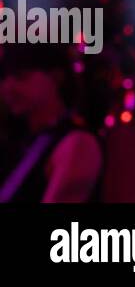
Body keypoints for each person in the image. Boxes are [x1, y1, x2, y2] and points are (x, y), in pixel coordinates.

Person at [0, 43, 102, 203]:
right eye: (3, 78)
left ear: (56, 76)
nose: (7, 87)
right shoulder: (19, 140)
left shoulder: (78, 141)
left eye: (21, 76)